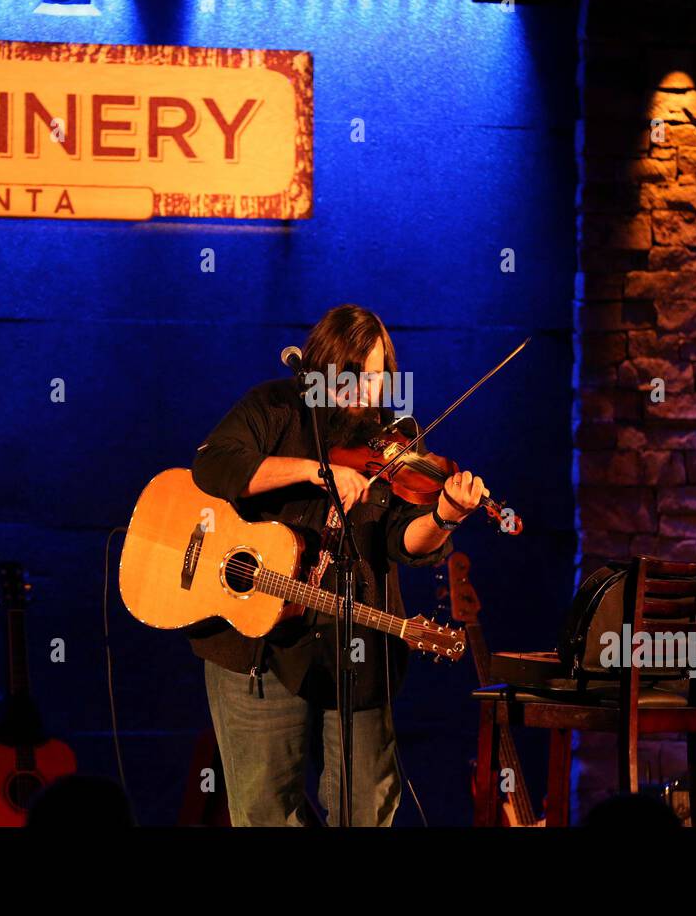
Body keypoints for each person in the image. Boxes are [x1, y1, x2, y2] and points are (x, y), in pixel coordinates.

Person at [188, 304, 487, 826]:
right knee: (263, 814)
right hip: (258, 640)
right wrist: (312, 471)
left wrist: (444, 514)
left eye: (375, 377)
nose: (365, 392)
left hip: (357, 644)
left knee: (366, 810)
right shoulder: (275, 406)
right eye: (351, 376)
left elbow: (405, 542)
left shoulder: (392, 442)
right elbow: (214, 465)